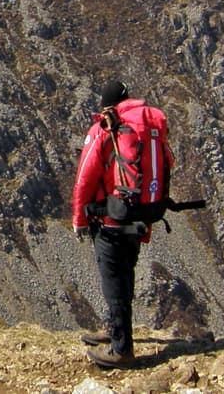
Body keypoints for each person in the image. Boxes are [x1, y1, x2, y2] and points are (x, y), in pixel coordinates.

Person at [71, 80, 174, 369]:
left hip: (110, 219)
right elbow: (166, 164)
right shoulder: (150, 128)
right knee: (125, 276)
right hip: (140, 216)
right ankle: (113, 328)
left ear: (106, 105)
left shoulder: (106, 128)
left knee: (113, 281)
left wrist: (79, 218)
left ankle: (121, 349)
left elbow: (85, 178)